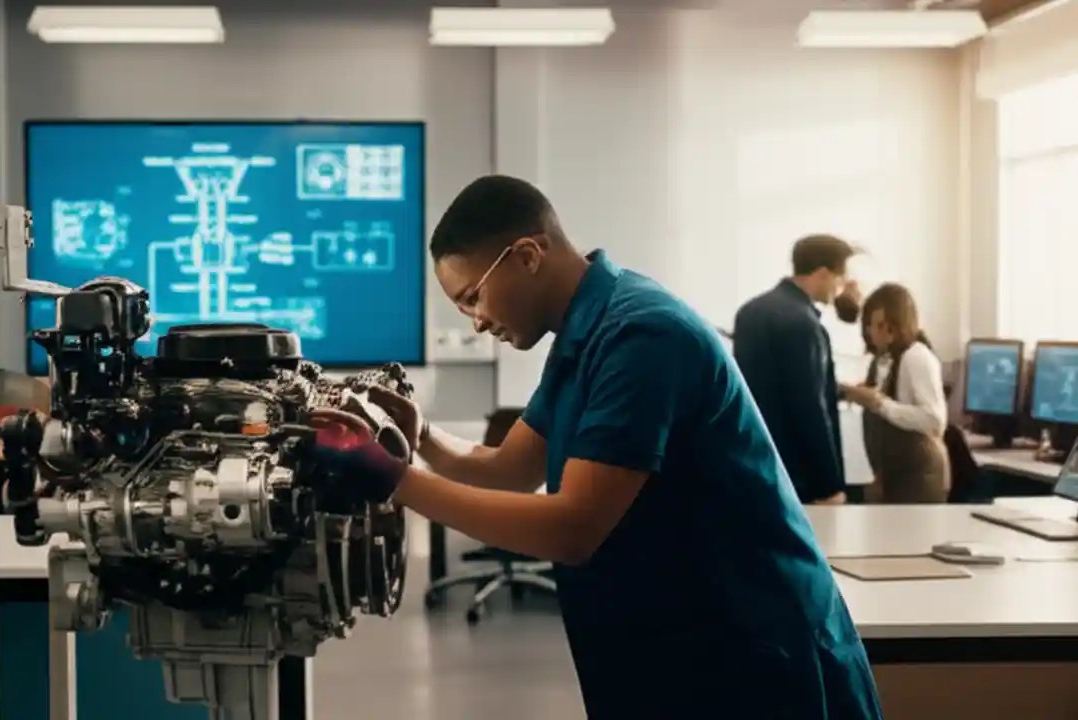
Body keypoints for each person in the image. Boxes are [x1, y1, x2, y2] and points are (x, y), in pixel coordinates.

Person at [306, 176, 883, 719]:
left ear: (528, 257)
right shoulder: (583, 333)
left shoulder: (642, 334)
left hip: (749, 654)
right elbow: (509, 468)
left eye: (473, 298)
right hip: (674, 646)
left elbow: (571, 528)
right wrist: (421, 436)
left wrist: (393, 480)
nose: (478, 323)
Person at [732, 235, 863, 505]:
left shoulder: (750, 312)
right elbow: (810, 407)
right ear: (824, 273)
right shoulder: (803, 323)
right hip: (798, 477)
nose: (840, 289)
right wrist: (829, 484)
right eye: (840, 278)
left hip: (753, 462)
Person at [840, 283, 949, 503]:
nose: (876, 333)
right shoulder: (880, 361)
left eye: (885, 326)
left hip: (918, 477)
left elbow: (934, 420)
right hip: (889, 474)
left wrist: (879, 403)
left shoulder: (916, 357)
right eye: (873, 325)